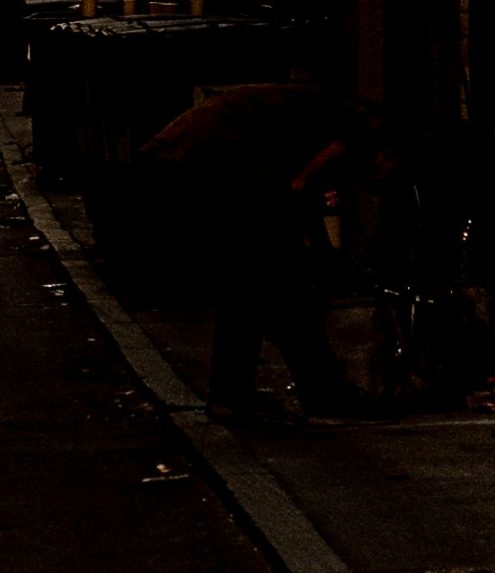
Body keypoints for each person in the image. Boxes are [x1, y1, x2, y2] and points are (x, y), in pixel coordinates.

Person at [137, 70, 354, 424]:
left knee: (249, 284)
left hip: (178, 162)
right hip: (212, 167)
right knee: (265, 281)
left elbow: (291, 190)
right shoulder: (345, 128)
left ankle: (238, 394)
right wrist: (312, 245)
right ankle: (315, 392)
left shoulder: (286, 111)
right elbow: (299, 185)